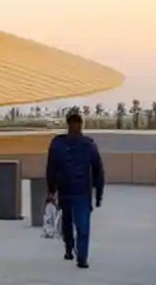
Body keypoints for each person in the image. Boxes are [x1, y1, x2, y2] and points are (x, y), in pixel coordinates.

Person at [46, 111, 105, 269]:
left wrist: (51, 189)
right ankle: (73, 250)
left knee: (76, 223)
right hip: (76, 191)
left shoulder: (59, 144)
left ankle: (79, 255)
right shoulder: (87, 144)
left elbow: (51, 169)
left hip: (74, 191)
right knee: (75, 224)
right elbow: (99, 170)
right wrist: (98, 194)